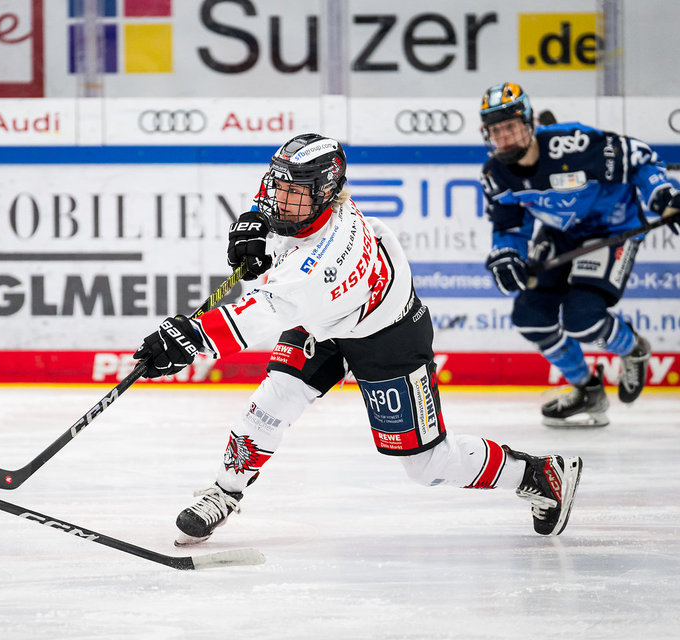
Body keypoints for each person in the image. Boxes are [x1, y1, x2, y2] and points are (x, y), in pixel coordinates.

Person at [132, 133, 583, 547]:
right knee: (273, 400)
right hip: (325, 321)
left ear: (325, 192)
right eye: (279, 186)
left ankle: (541, 475)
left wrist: (188, 339)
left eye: (293, 192)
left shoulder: (324, 263)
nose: (279, 199)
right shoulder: (312, 203)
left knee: (427, 466)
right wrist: (257, 225)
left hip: (387, 335)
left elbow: (262, 312)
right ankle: (224, 493)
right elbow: (275, 205)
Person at [478, 82, 680, 428]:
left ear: (530, 123)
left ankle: (633, 348)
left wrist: (663, 195)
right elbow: (511, 225)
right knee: (530, 316)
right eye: (497, 131)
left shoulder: (572, 144)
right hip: (561, 234)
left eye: (511, 126)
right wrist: (507, 253)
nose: (505, 137)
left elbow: (639, 159)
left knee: (581, 318)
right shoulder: (496, 173)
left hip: (611, 229)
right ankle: (587, 390)